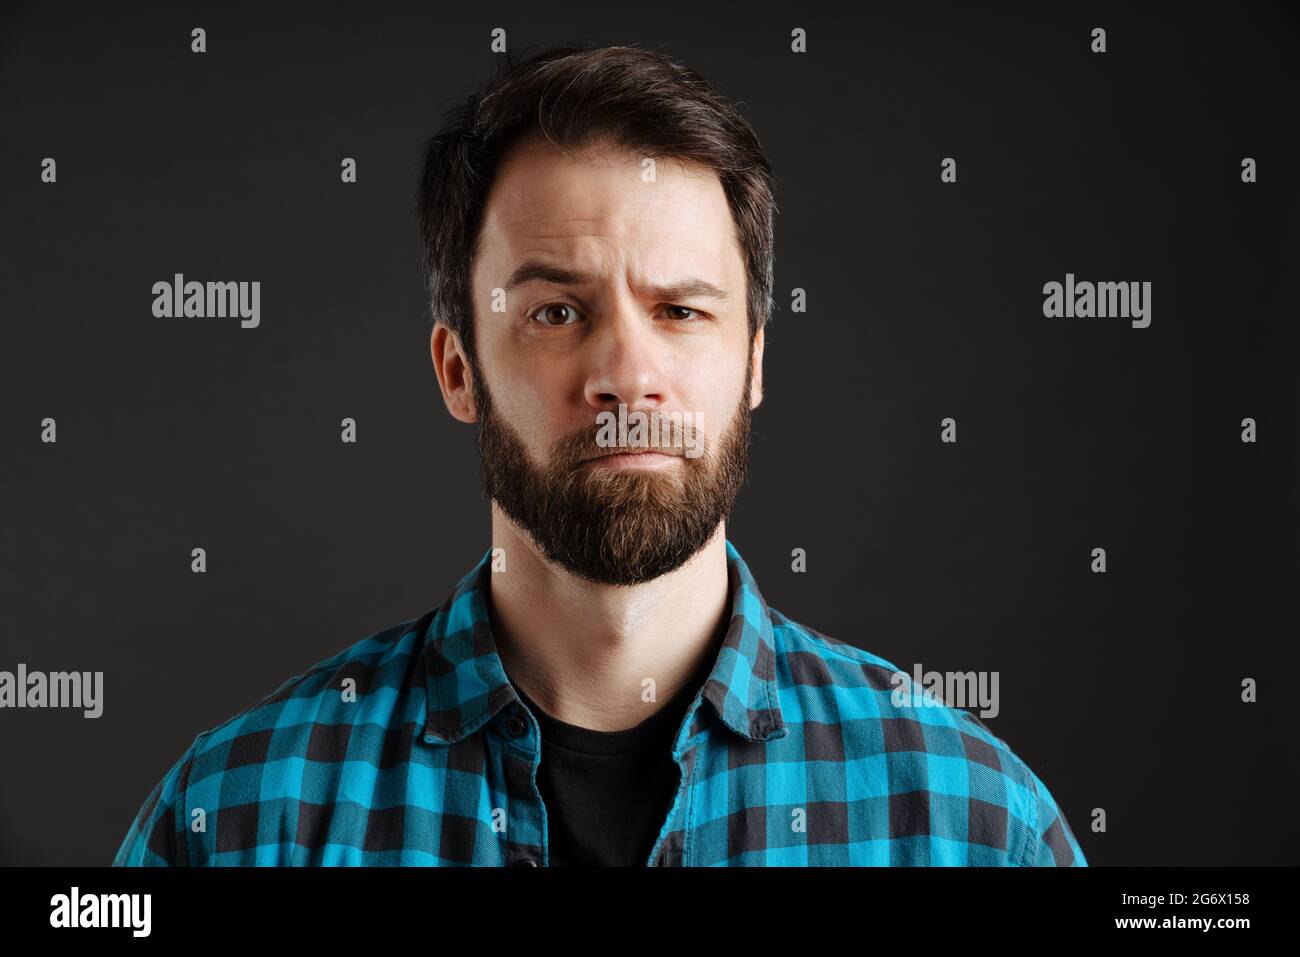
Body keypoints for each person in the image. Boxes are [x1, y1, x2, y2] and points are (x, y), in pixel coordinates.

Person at [114, 43, 1086, 867]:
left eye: (680, 310)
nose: (627, 373)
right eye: (556, 312)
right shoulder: (239, 822)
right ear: (458, 371)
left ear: (751, 362)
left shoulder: (974, 827)